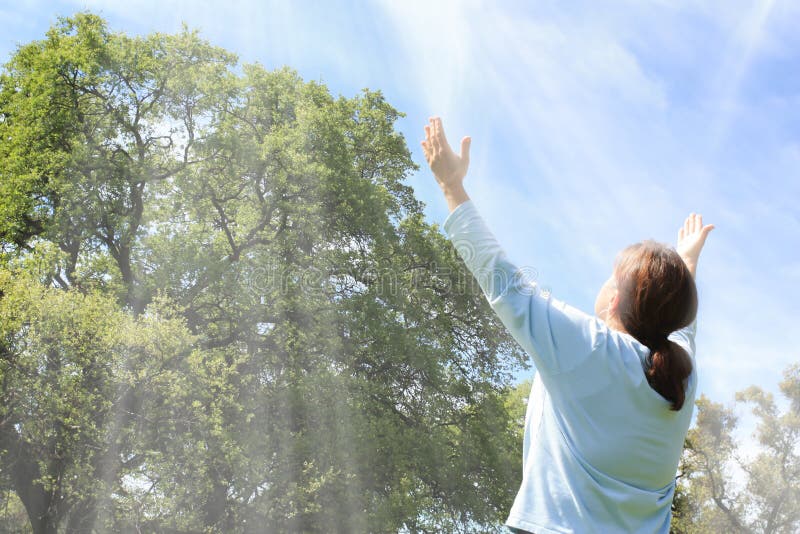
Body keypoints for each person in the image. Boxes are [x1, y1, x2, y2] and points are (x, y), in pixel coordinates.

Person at [420, 117, 715, 533]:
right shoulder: (682, 377)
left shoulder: (590, 350)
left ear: (615, 300)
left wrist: (451, 185)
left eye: (612, 274)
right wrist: (686, 263)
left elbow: (505, 282)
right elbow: (684, 331)